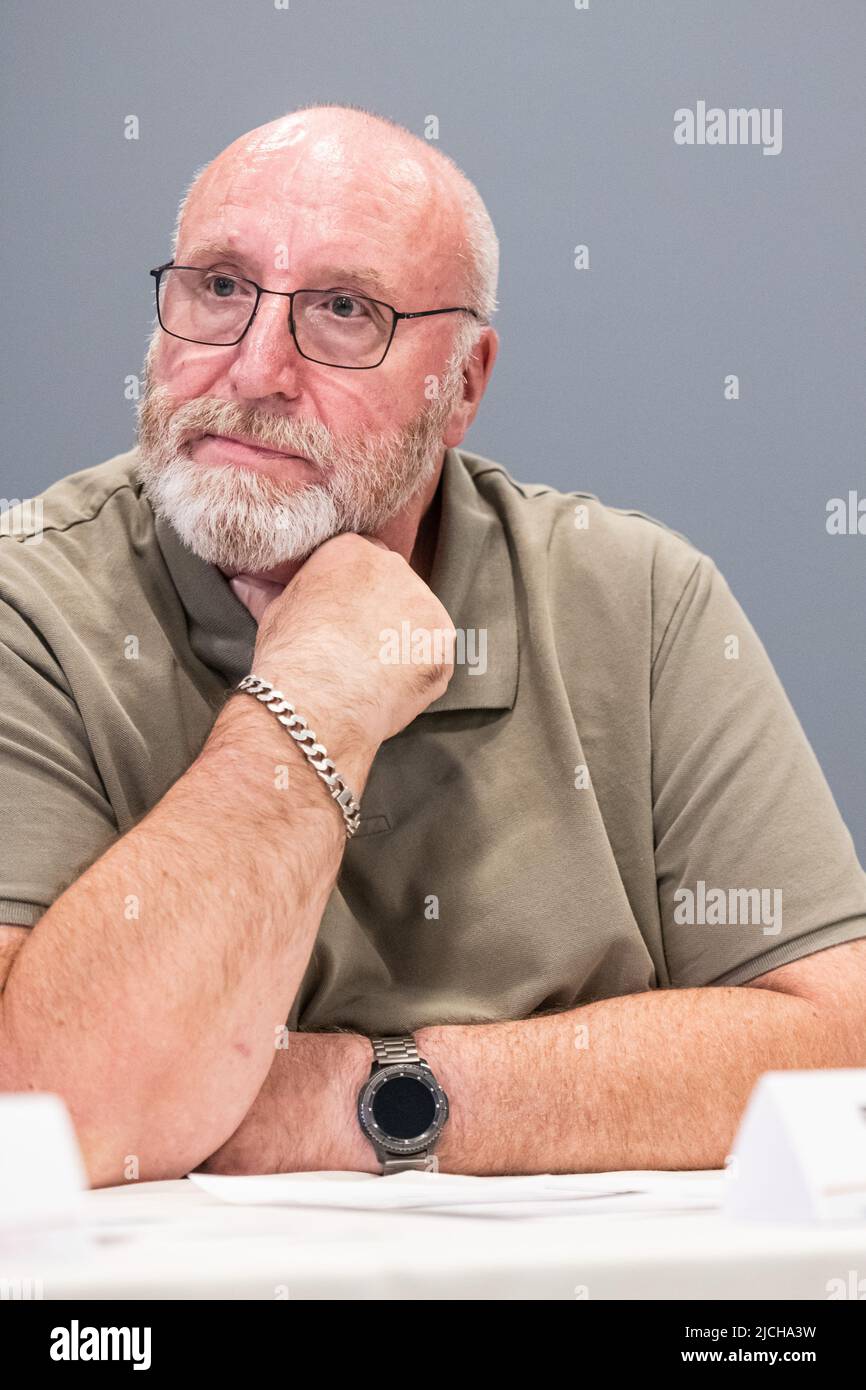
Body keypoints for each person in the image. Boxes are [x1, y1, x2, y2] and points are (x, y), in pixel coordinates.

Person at [0, 105, 863, 1187]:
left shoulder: (638, 597)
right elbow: (46, 1114)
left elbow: (837, 1052)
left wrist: (365, 1099)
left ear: (462, 385)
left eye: (342, 309)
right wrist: (308, 698)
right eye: (218, 288)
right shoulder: (24, 599)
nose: (254, 367)